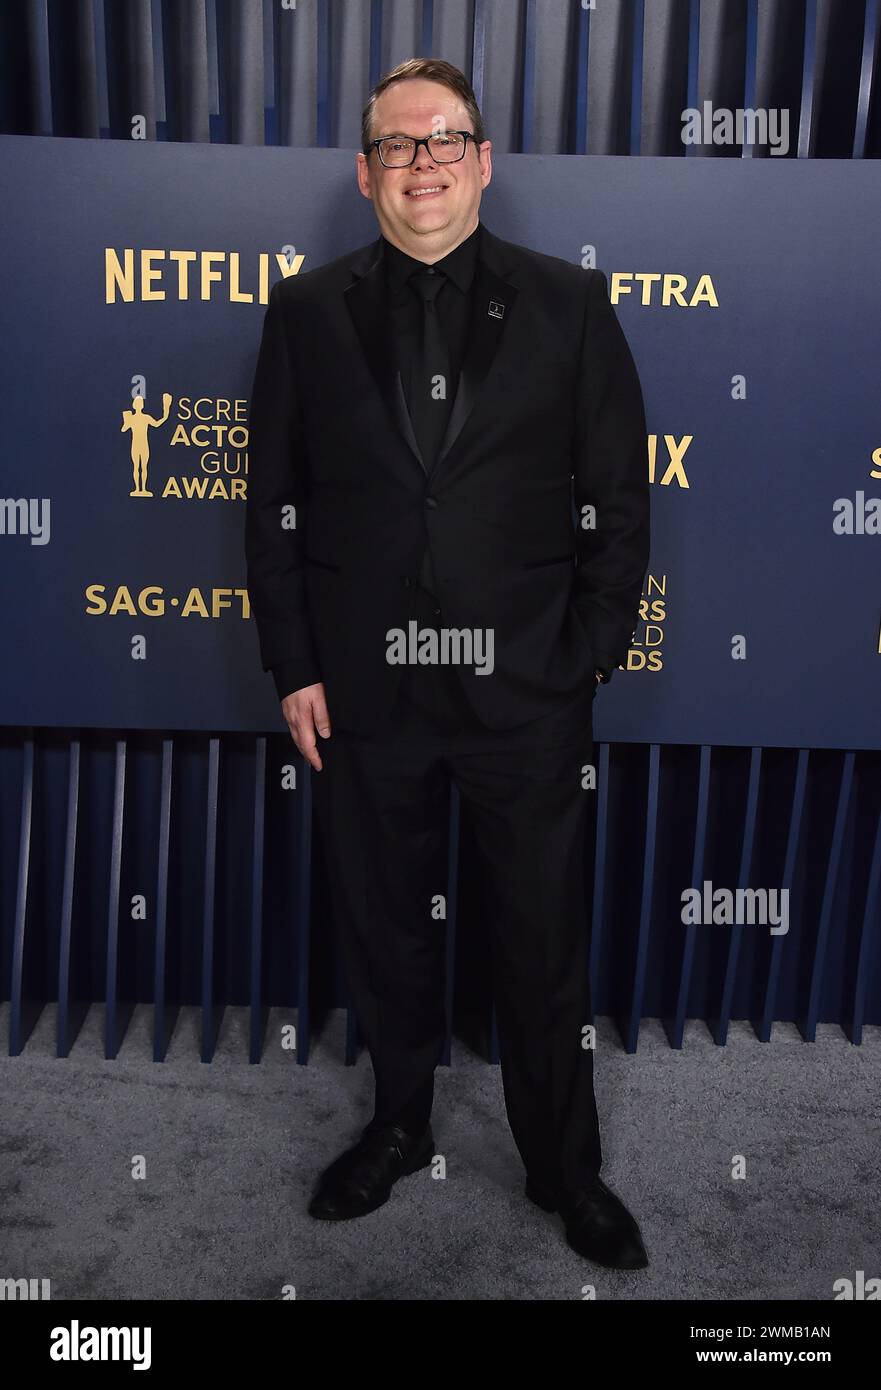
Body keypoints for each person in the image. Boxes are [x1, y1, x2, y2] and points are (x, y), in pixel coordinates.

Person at [245, 57, 650, 1270]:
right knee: (385, 927)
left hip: (523, 690)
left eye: (444, 140)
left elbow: (618, 504)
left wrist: (583, 657)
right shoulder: (305, 311)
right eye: (398, 144)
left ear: (482, 160)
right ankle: (397, 1124)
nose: (422, 164)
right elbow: (275, 505)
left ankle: (562, 1169)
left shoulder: (570, 306)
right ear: (363, 169)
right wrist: (293, 663)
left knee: (539, 938)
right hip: (366, 690)